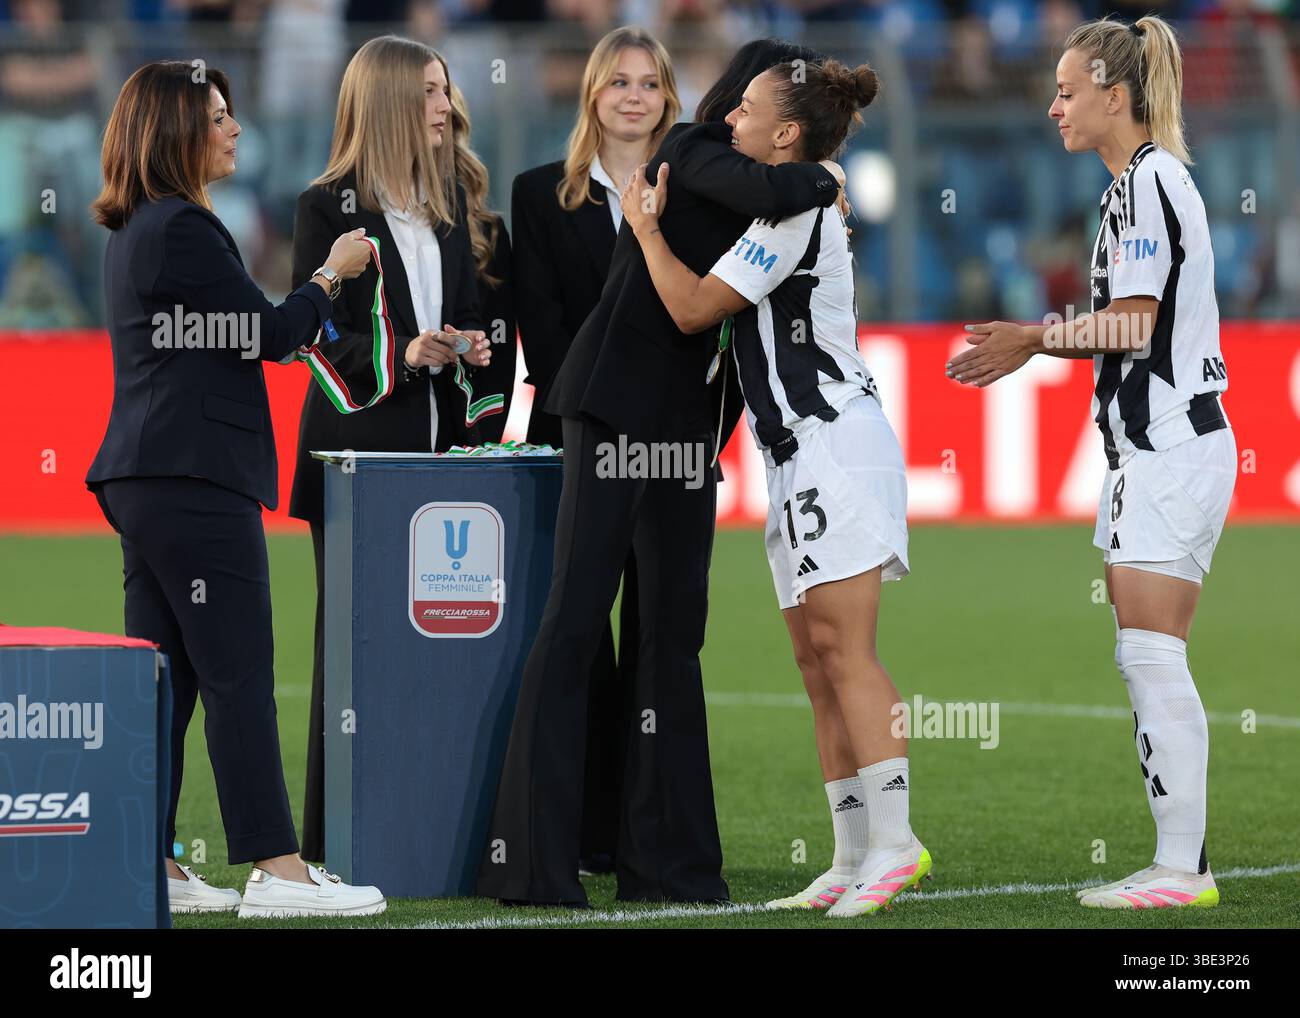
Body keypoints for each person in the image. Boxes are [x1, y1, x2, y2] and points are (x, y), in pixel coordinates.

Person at [477, 38, 843, 908]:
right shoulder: (697, 150)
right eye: (758, 98)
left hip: (683, 431)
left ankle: (669, 866)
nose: (756, 115)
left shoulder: (710, 161)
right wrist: (828, 175)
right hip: (608, 413)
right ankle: (533, 863)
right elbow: (778, 189)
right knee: (574, 621)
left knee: (671, 641)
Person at [620, 57, 931, 918]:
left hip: (835, 442)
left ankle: (896, 844)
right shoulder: (790, 200)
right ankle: (850, 852)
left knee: (846, 652)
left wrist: (645, 231)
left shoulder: (790, 214)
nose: (730, 122)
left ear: (787, 135)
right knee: (813, 658)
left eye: (748, 111)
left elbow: (690, 308)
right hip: (794, 453)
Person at [85, 60, 385, 918]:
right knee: (239, 673)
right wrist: (332, 275)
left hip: (148, 478)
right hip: (191, 477)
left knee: (170, 683)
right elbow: (269, 335)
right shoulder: (182, 227)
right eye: (218, 114)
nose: (235, 127)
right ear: (177, 129)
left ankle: (149, 860)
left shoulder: (139, 228)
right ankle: (276, 869)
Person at [949, 15, 1233, 910]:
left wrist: (1034, 337)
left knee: (1151, 656)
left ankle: (1180, 869)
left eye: (1068, 91)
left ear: (1116, 96)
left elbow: (1135, 325)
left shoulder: (1149, 183)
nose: (1052, 106)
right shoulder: (1128, 191)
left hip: (1172, 445)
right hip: (1155, 448)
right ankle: (1179, 862)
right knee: (1145, 652)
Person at [291, 35, 495, 864]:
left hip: (441, 467)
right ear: (385, 106)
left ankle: (431, 834)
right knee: (352, 656)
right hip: (355, 464)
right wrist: (407, 355)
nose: (445, 107)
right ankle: (332, 842)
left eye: (445, 90)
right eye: (428, 93)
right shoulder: (324, 207)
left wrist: (474, 351)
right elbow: (318, 334)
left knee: (443, 652)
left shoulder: (451, 207)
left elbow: (484, 320)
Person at [509, 24, 680, 873]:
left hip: (674, 448)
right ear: (592, 95)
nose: (634, 96)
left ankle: (643, 843)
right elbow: (542, 332)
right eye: (618, 82)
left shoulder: (694, 196)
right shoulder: (541, 194)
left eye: (648, 82)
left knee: (660, 643)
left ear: (668, 97)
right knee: (578, 633)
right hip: (579, 433)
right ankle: (563, 840)